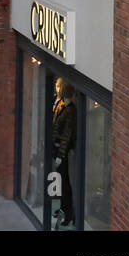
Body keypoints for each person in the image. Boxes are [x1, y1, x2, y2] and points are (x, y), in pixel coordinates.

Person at [53, 79, 77, 227]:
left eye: (59, 87)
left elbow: (67, 136)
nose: (57, 89)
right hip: (58, 149)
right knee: (62, 181)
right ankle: (63, 208)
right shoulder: (62, 104)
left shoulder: (71, 111)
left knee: (65, 183)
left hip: (64, 152)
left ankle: (68, 213)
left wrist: (61, 156)